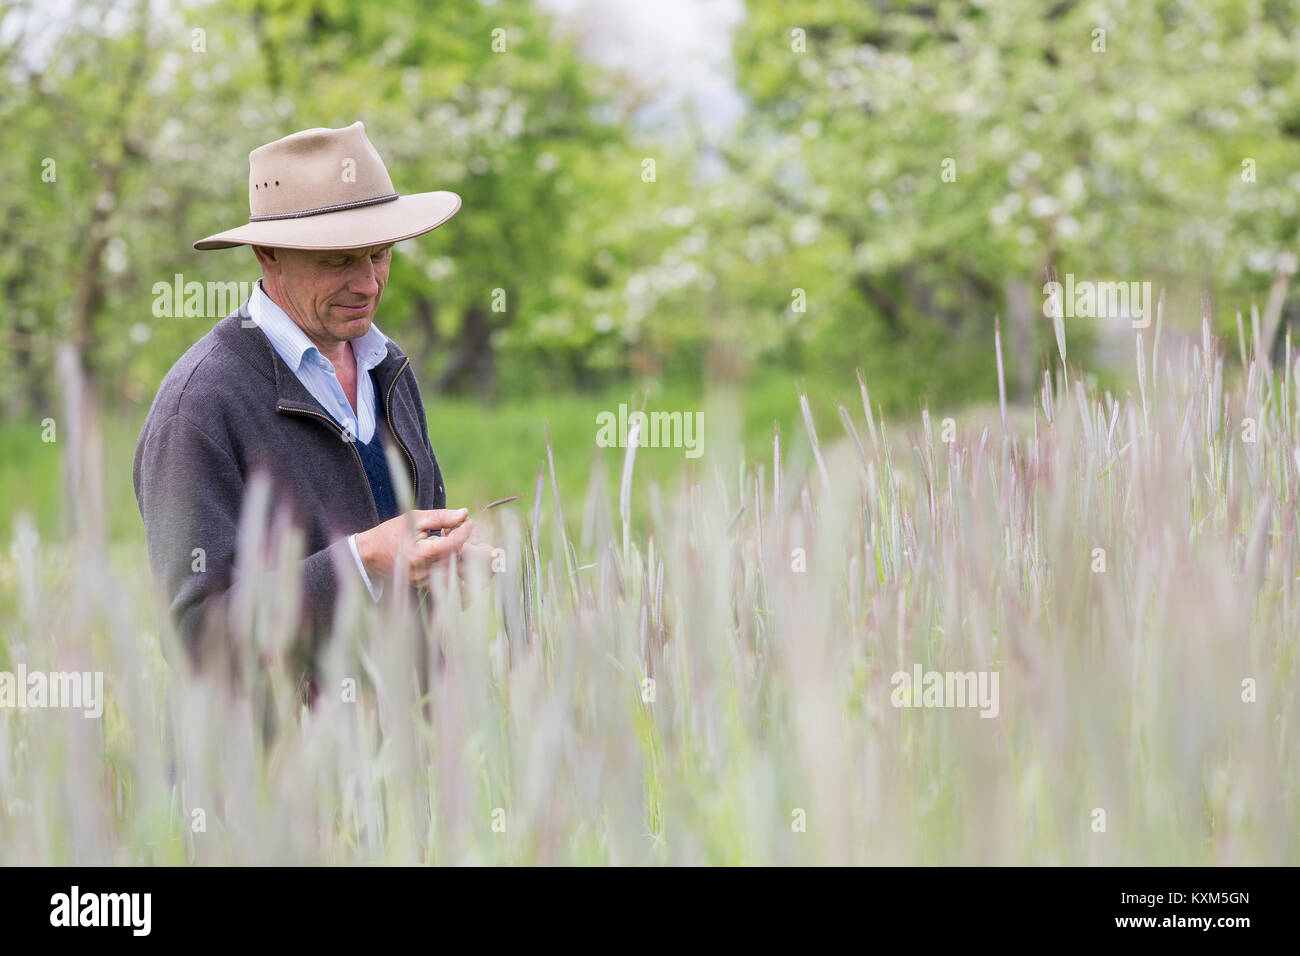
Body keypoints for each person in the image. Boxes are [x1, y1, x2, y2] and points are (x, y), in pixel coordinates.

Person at [133, 121, 488, 699]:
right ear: (267, 253)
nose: (367, 283)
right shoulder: (198, 405)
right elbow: (200, 641)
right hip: (276, 777)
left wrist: (440, 572)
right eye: (339, 261)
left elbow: (394, 562)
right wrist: (361, 562)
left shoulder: (386, 364)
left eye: (379, 255)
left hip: (407, 760)